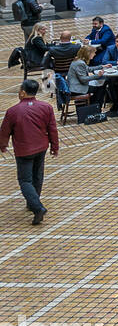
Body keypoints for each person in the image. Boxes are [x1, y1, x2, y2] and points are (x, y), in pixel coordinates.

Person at [0, 79, 59, 224]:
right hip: (41, 147)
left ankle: (37, 207)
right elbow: (52, 129)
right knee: (37, 176)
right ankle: (33, 201)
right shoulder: (46, 107)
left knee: (25, 180)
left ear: (23, 92)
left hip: (24, 150)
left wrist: (3, 146)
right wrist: (54, 146)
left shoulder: (13, 111)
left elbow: (4, 132)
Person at [66, 45, 107, 123]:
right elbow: (83, 80)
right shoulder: (80, 63)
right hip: (77, 89)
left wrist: (102, 66)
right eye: (93, 53)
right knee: (100, 88)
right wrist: (97, 76)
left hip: (75, 86)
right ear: (88, 53)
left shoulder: (78, 61)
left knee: (97, 86)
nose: (95, 54)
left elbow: (88, 69)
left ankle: (94, 108)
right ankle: (95, 109)